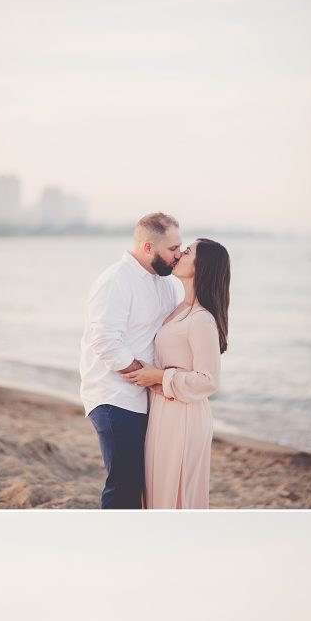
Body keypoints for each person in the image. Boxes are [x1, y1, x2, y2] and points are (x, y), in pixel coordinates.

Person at [80, 212, 182, 509]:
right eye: (172, 249)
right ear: (148, 247)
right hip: (114, 396)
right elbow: (105, 340)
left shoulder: (165, 284)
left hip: (145, 397)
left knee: (143, 482)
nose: (178, 255)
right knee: (124, 483)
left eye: (179, 248)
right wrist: (146, 375)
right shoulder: (115, 281)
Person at [123, 238, 230, 508]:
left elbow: (209, 381)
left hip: (184, 417)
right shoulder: (178, 308)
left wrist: (159, 377)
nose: (179, 254)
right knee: (157, 490)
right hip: (163, 411)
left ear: (201, 265)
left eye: (188, 251)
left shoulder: (202, 319)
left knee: (176, 494)